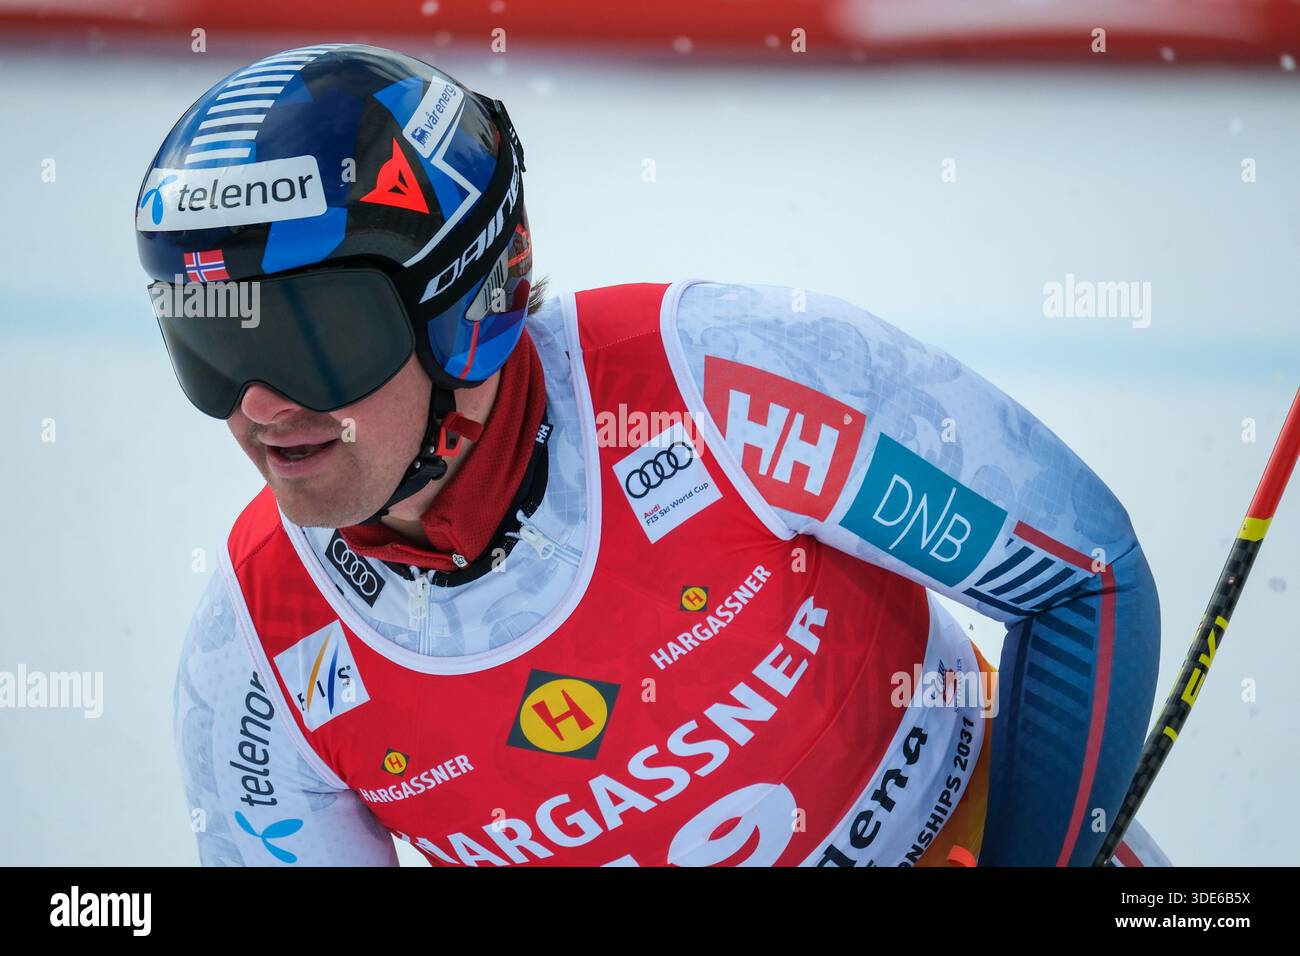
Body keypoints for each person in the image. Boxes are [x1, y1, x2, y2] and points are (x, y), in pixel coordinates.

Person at [140, 43, 1170, 867]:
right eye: (212, 343)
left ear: (461, 304)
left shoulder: (726, 381)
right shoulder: (258, 659)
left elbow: (1078, 582)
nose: (263, 405)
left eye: (314, 337)